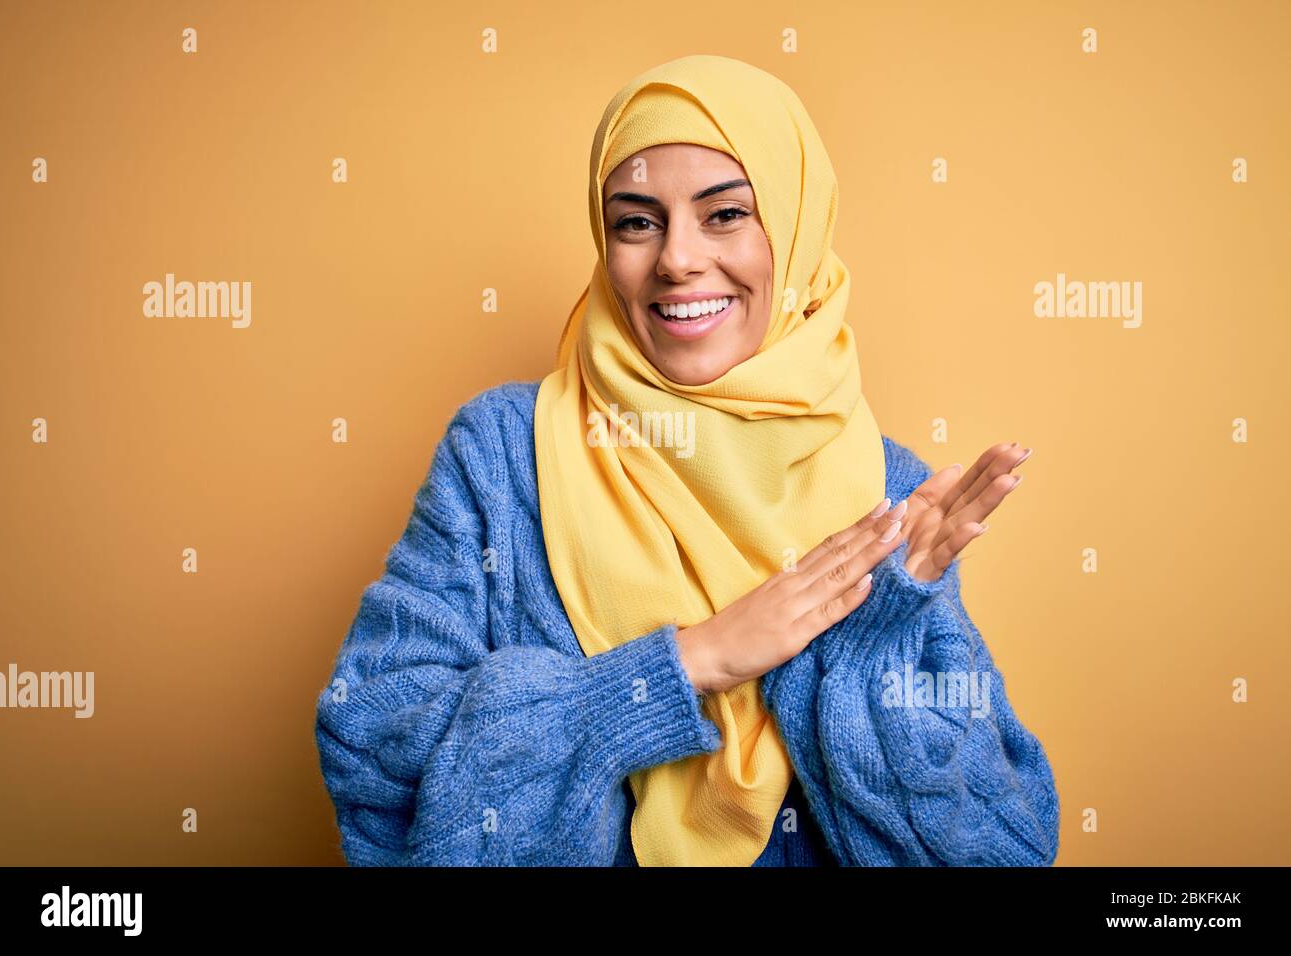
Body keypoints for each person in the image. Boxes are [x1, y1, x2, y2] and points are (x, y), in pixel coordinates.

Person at [314, 54, 1060, 867]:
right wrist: (687, 663)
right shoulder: (502, 453)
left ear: (796, 228)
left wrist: (863, 651)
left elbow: (1001, 852)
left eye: (726, 214)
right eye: (637, 221)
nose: (676, 259)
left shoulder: (888, 498)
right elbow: (372, 738)